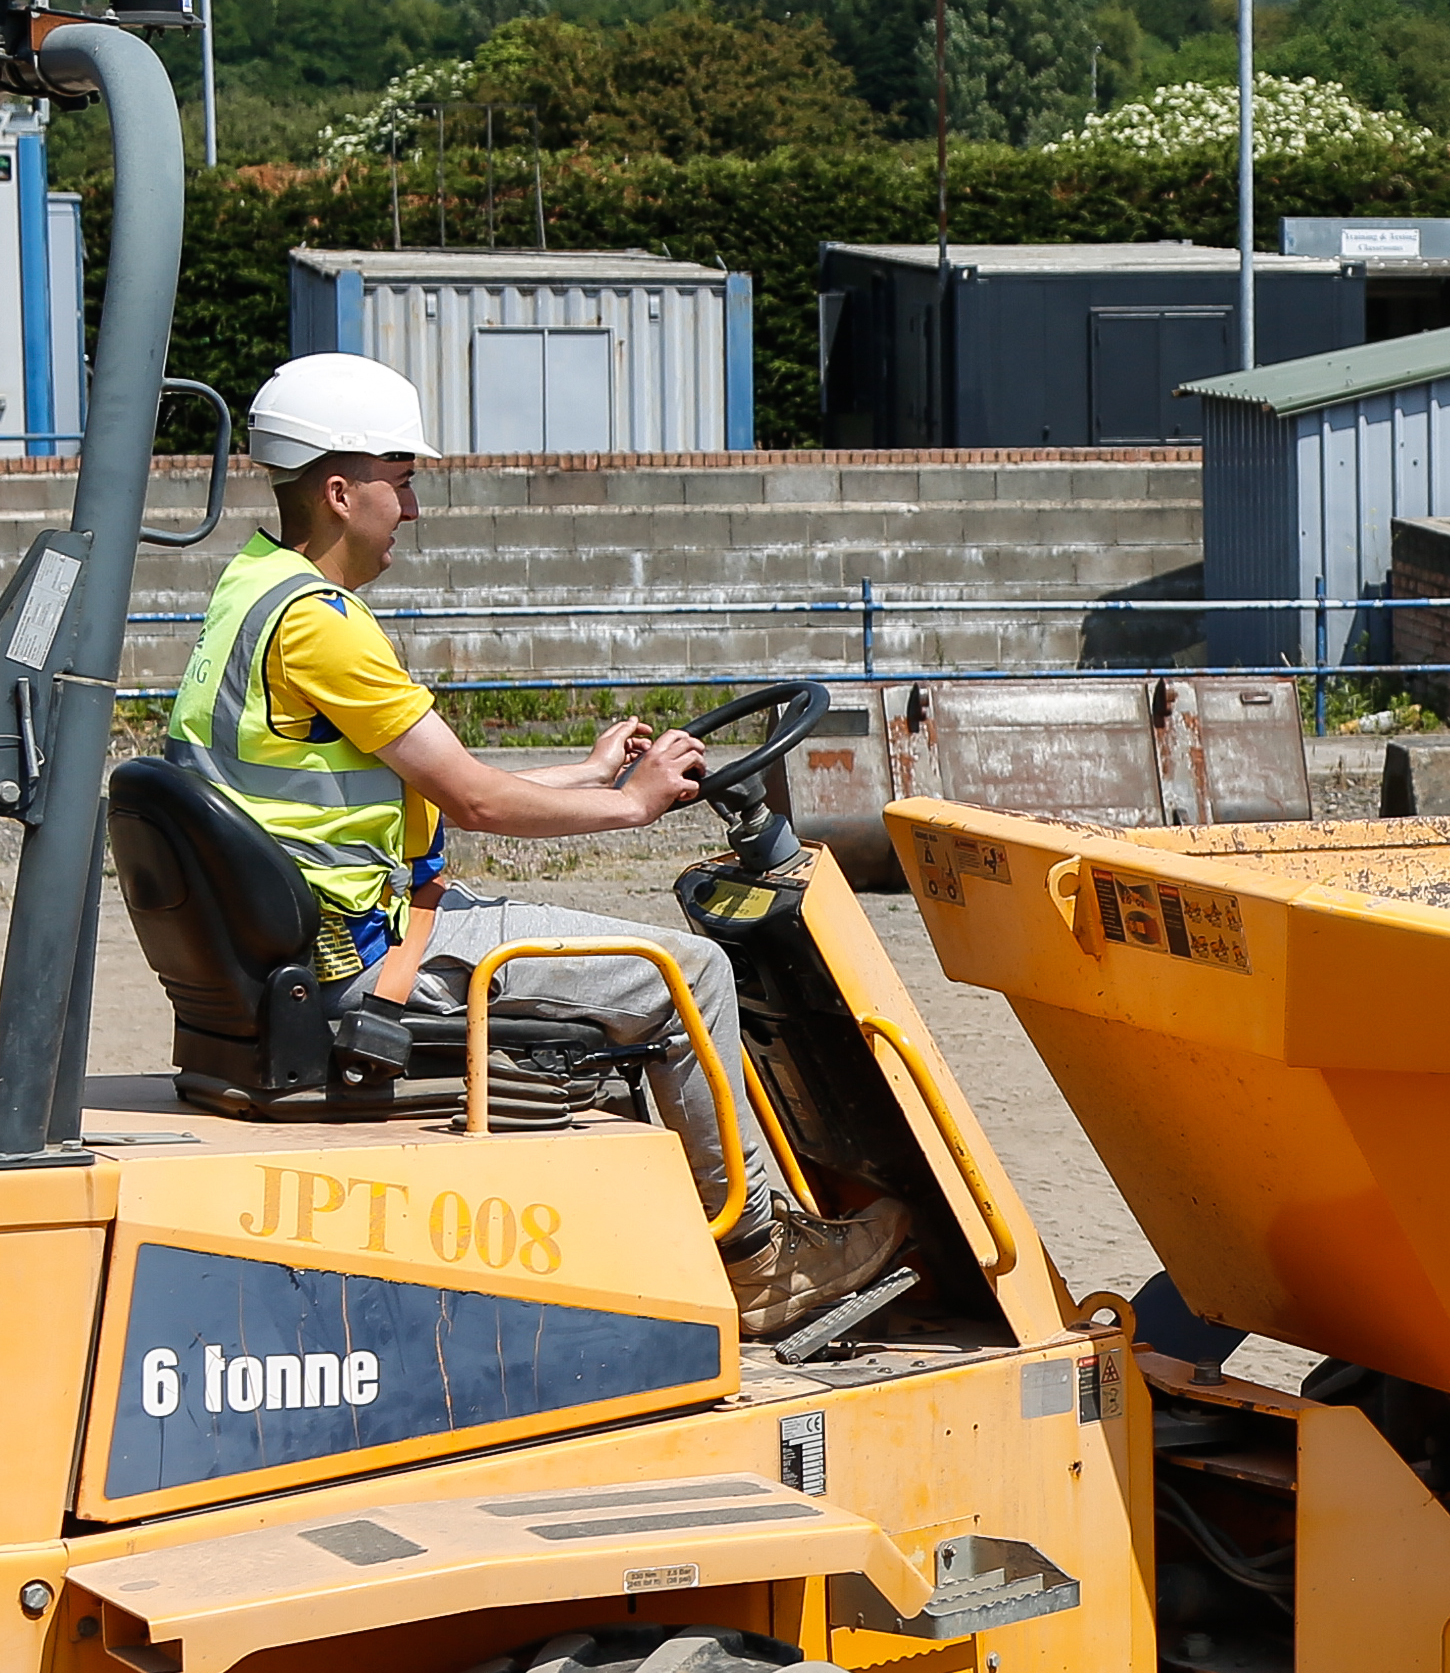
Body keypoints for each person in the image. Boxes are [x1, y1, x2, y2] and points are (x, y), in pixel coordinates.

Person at [179, 352, 911, 1337]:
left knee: (638, 969)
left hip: (313, 936)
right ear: (343, 491)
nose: (414, 510)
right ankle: (756, 1263)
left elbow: (433, 773)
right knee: (687, 973)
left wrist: (592, 770)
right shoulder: (328, 631)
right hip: (363, 954)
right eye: (402, 485)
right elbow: (472, 802)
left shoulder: (252, 590)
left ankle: (707, 1221)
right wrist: (634, 807)